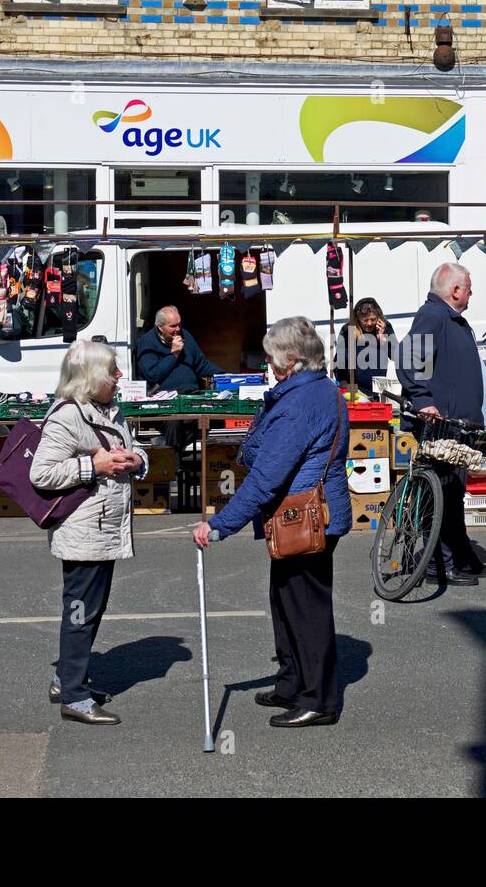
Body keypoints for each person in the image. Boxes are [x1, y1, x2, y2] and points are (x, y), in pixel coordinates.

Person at [193, 317, 349, 728]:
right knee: (285, 601)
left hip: (304, 516)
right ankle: (292, 683)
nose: (267, 363)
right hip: (306, 514)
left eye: (271, 356)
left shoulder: (299, 403)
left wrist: (220, 524)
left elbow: (266, 477)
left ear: (292, 361)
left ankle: (319, 698)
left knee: (306, 610)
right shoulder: (316, 391)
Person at [30, 340, 150, 725]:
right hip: (83, 531)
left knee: (91, 611)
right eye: (112, 371)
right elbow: (42, 474)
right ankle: (75, 697)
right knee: (80, 613)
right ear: (90, 376)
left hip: (105, 528)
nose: (118, 377)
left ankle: (67, 678)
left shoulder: (108, 409)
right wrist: (92, 467)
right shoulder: (67, 416)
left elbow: (132, 448)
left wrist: (138, 460)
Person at [397, 262, 486, 586]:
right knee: (441, 495)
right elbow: (408, 359)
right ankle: (439, 564)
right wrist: (423, 399)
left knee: (454, 494)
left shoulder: (453, 320)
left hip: (458, 425)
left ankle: (463, 558)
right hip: (441, 425)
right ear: (455, 290)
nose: (471, 293)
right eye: (469, 287)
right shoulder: (434, 315)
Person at [135, 305, 223, 393]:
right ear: (160, 327)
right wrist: (174, 354)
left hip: (191, 393)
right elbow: (152, 375)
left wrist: (223, 375)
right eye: (173, 326)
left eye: (179, 324)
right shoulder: (147, 342)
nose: (178, 329)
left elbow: (201, 364)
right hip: (165, 397)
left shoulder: (185, 335)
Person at [333, 297, 396, 396]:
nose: (369, 323)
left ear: (378, 317)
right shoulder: (348, 330)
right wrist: (342, 382)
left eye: (373, 319)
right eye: (365, 320)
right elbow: (339, 361)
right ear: (358, 319)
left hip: (378, 388)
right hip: (355, 390)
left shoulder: (385, 328)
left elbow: (395, 356)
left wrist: (382, 338)